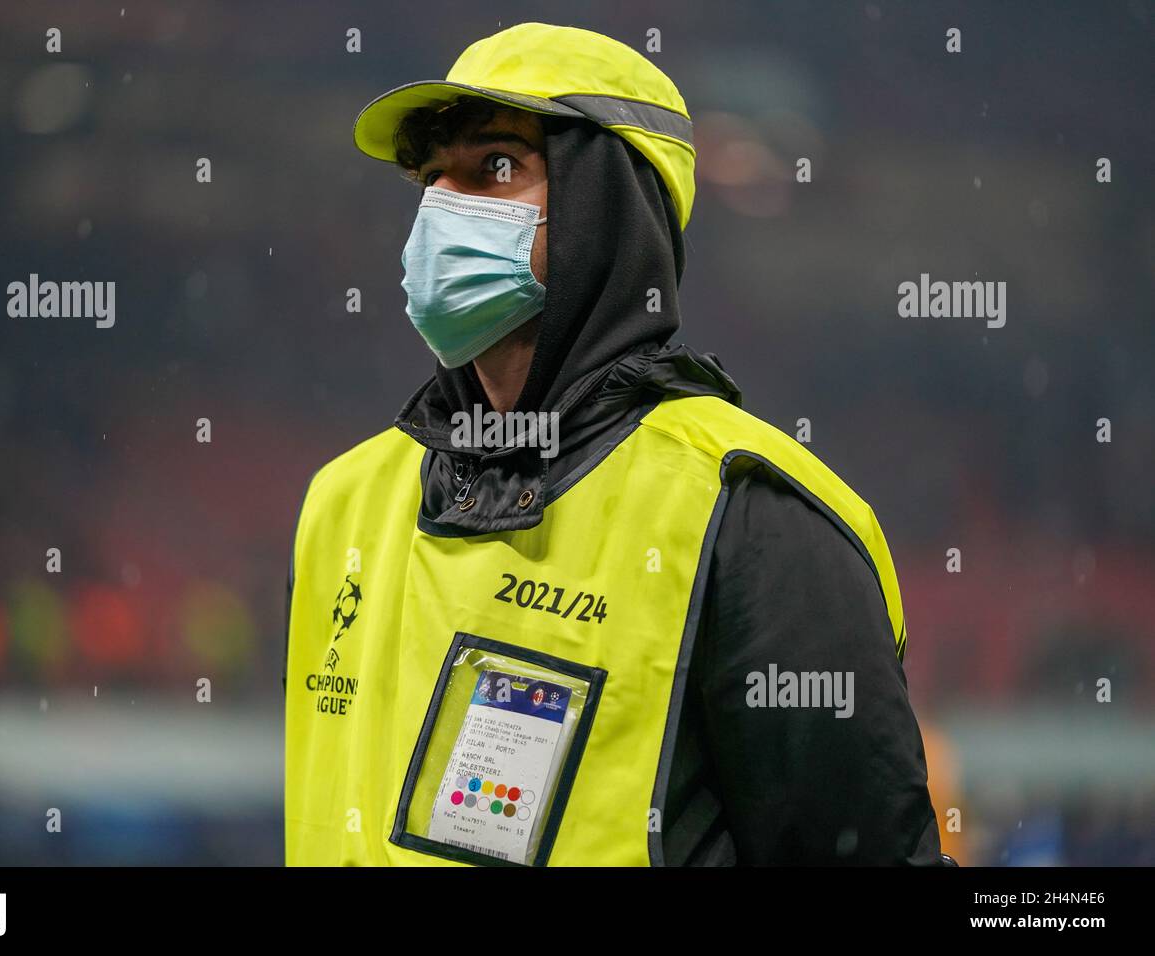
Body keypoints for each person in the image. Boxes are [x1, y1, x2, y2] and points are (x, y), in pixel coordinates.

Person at [284, 22, 947, 866]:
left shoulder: (751, 517)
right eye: (431, 176)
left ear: (610, 209)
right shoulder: (343, 503)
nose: (443, 210)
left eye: (495, 167)